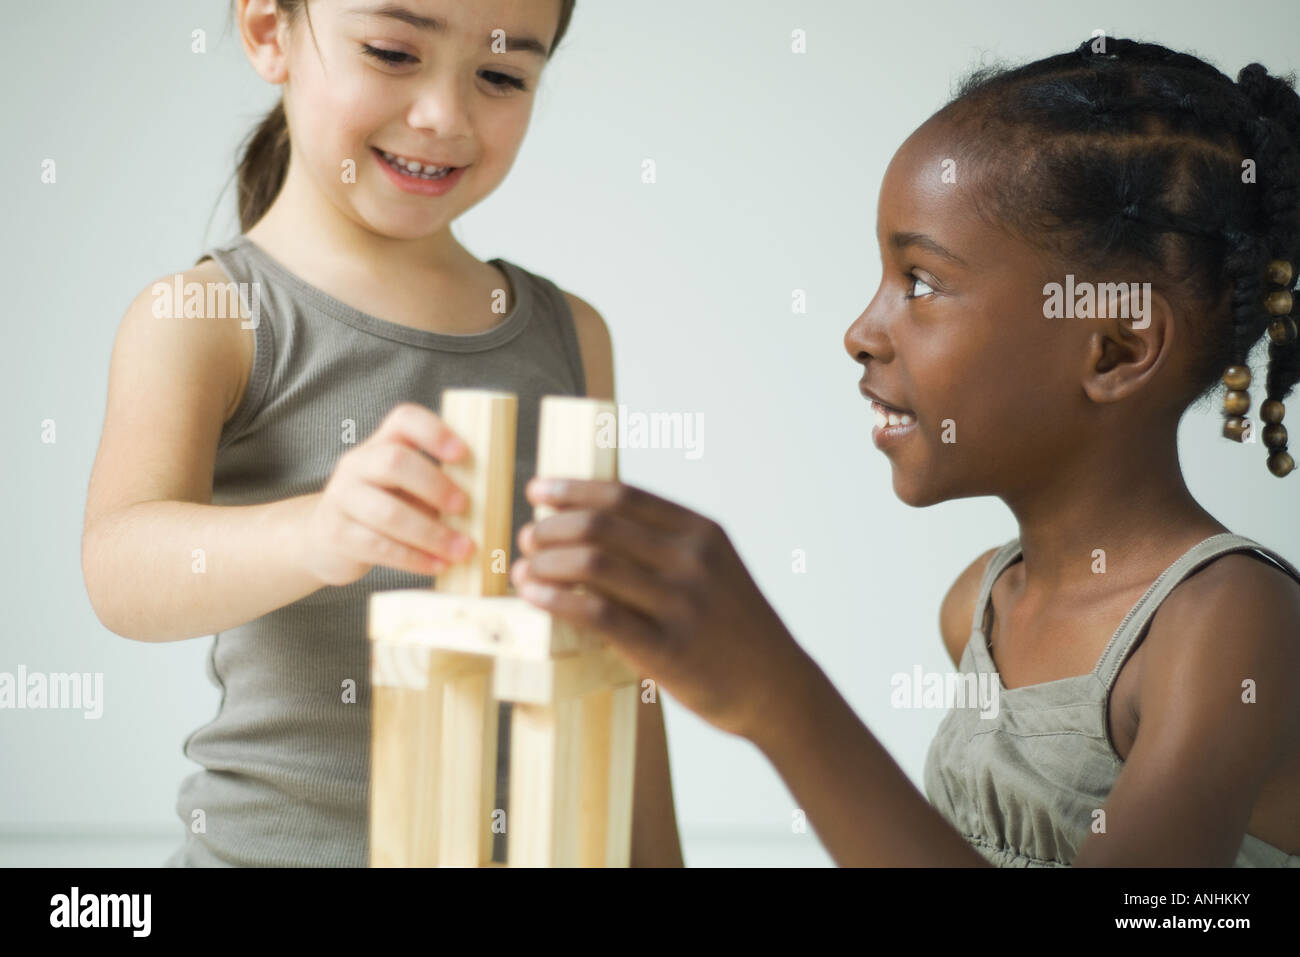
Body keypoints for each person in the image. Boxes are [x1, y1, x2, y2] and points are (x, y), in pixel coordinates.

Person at [509, 37, 1300, 867]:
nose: (859, 333)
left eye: (919, 282)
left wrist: (781, 697)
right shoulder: (978, 609)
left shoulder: (1231, 626)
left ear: (1112, 348)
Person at [80, 0, 682, 867]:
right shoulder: (208, 316)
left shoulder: (571, 335)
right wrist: (313, 531)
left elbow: (619, 648)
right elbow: (119, 566)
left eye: (502, 74)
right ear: (267, 31)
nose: (445, 114)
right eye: (395, 52)